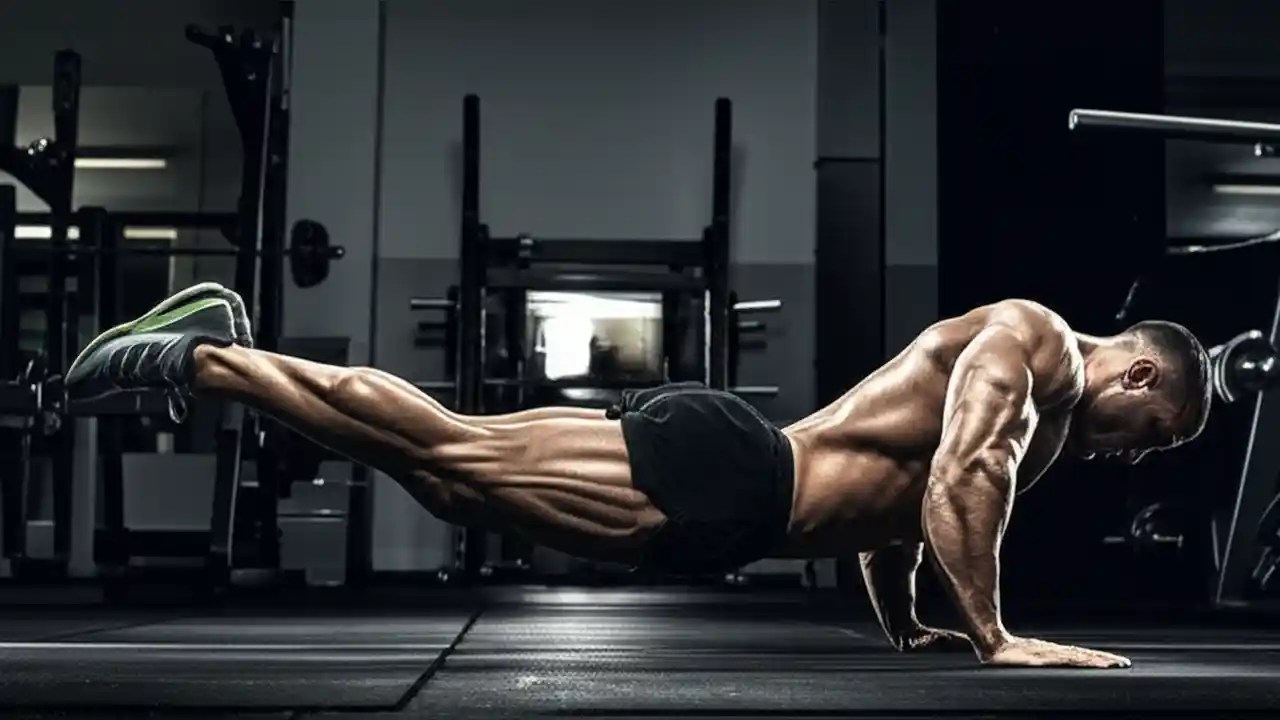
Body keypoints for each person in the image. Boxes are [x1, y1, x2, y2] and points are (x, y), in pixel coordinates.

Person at [66, 283, 1211, 669]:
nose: (1132, 458)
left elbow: (903, 511)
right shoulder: (1036, 342)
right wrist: (998, 639)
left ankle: (220, 360)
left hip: (730, 500)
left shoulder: (1047, 403)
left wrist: (910, 625)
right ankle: (205, 351)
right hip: (725, 476)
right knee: (449, 451)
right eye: (1149, 434)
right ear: (1138, 372)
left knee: (449, 479)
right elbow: (963, 476)